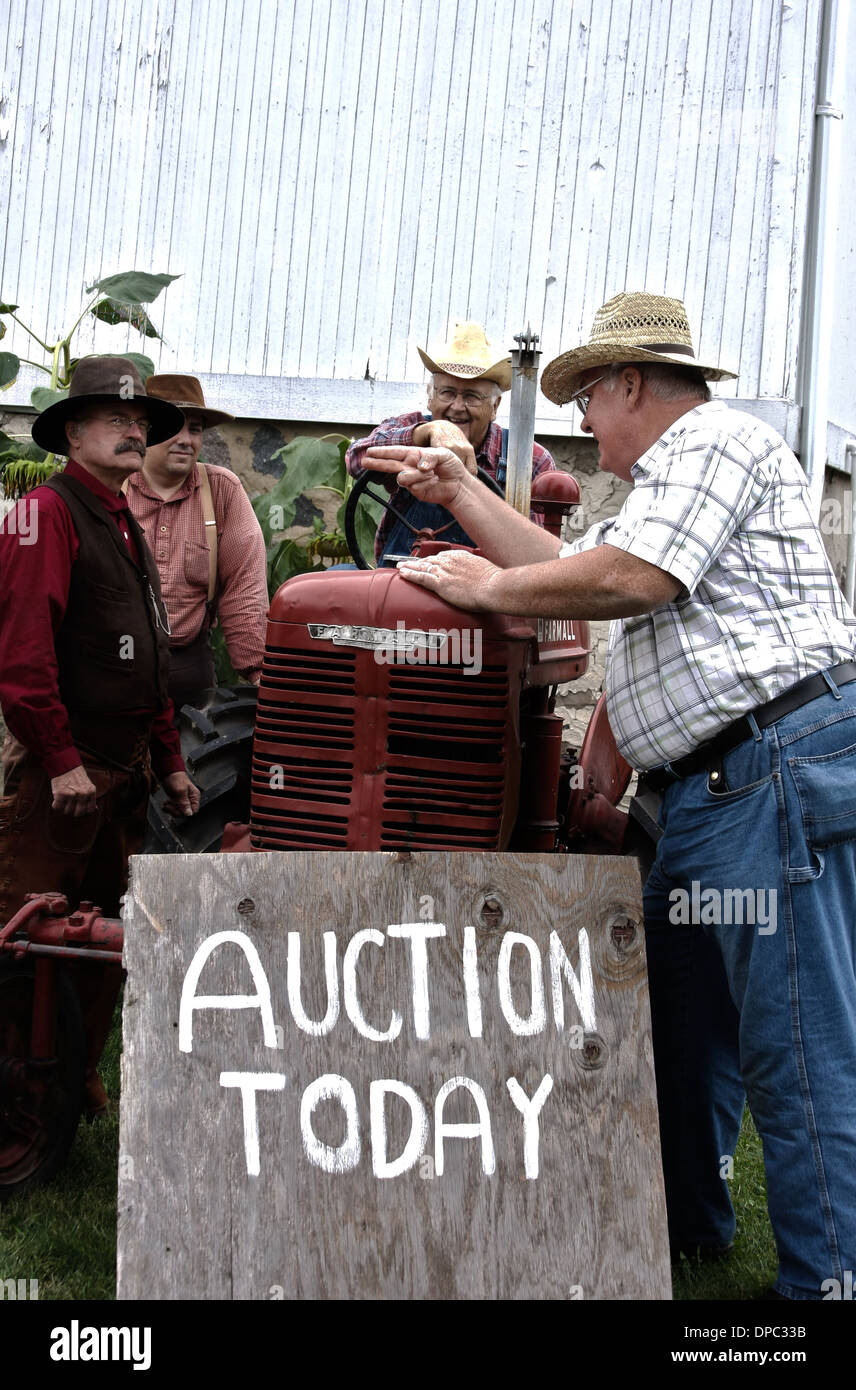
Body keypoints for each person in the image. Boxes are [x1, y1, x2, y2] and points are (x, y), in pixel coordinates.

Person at [362, 290, 856, 1302]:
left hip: (768, 777)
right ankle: (685, 1224)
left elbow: (629, 581)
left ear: (630, 382)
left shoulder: (717, 442)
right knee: (683, 1022)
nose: (581, 422)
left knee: (794, 1038)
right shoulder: (666, 480)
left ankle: (824, 1284)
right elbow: (569, 563)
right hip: (708, 798)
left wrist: (483, 591)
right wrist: (461, 492)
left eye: (587, 397)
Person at [0, 355, 200, 1115]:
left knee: (99, 947)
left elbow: (149, 655)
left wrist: (172, 761)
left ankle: (74, 1076)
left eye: (139, 421)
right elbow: (21, 657)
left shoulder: (123, 524)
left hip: (121, 776)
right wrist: (58, 762)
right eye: (117, 418)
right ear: (72, 432)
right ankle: (16, 1098)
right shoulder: (44, 514)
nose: (134, 430)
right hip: (65, 779)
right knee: (26, 937)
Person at [346, 321, 556, 564]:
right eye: (447, 393)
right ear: (430, 397)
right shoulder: (410, 429)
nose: (456, 407)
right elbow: (356, 460)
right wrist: (429, 432)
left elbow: (539, 561)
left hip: (483, 592)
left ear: (494, 407)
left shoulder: (529, 460)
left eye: (471, 396)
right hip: (400, 586)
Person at [125, 375, 268, 709]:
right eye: (174, 427)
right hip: (117, 662)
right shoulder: (116, 486)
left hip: (187, 669)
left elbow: (244, 587)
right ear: (145, 430)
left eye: (195, 429)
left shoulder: (221, 491)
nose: (185, 440)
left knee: (190, 758)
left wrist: (257, 671)